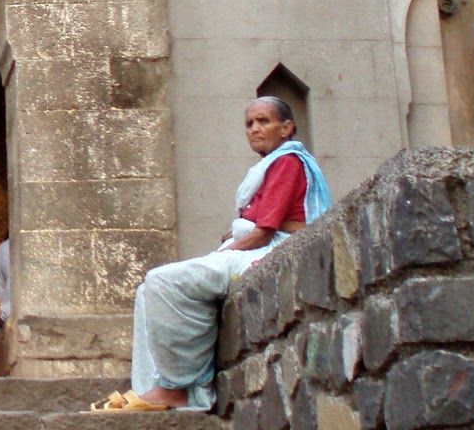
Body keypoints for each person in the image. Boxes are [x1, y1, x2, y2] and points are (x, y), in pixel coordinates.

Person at [94, 96, 331, 412]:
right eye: (249, 123)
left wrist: (222, 252)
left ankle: (177, 389)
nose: (255, 129)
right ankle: (150, 389)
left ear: (286, 127)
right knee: (145, 291)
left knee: (162, 281)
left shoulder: (287, 162)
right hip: (254, 245)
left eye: (264, 121)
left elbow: (264, 230)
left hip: (268, 251)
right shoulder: (269, 166)